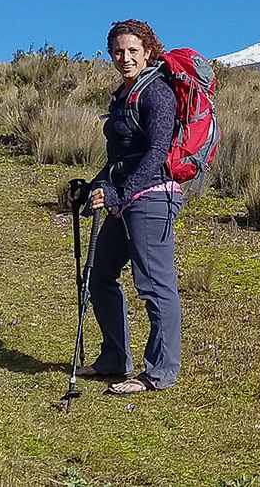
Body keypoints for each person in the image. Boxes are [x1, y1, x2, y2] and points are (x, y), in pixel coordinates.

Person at [74, 19, 183, 395]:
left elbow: (157, 153)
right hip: (125, 199)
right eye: (118, 51)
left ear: (148, 51)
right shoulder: (124, 95)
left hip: (152, 198)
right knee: (99, 274)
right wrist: (94, 187)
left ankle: (160, 373)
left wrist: (120, 194)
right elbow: (119, 157)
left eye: (133, 50)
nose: (125, 57)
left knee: (154, 285)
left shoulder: (157, 93)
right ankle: (114, 359)